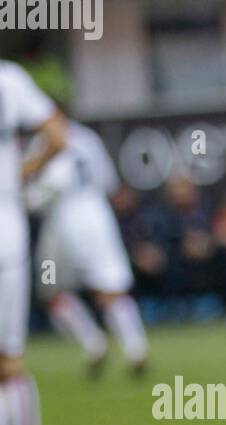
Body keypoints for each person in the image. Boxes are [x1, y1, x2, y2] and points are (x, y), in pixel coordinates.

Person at [27, 118, 149, 376]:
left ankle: (93, 343)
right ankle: (135, 348)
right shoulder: (89, 139)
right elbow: (108, 182)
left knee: (51, 291)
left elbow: (42, 193)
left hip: (61, 223)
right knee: (110, 287)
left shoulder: (42, 143)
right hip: (98, 217)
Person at [0, 59, 66, 425]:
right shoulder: (8, 78)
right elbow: (57, 136)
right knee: (10, 363)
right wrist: (19, 175)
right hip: (6, 236)